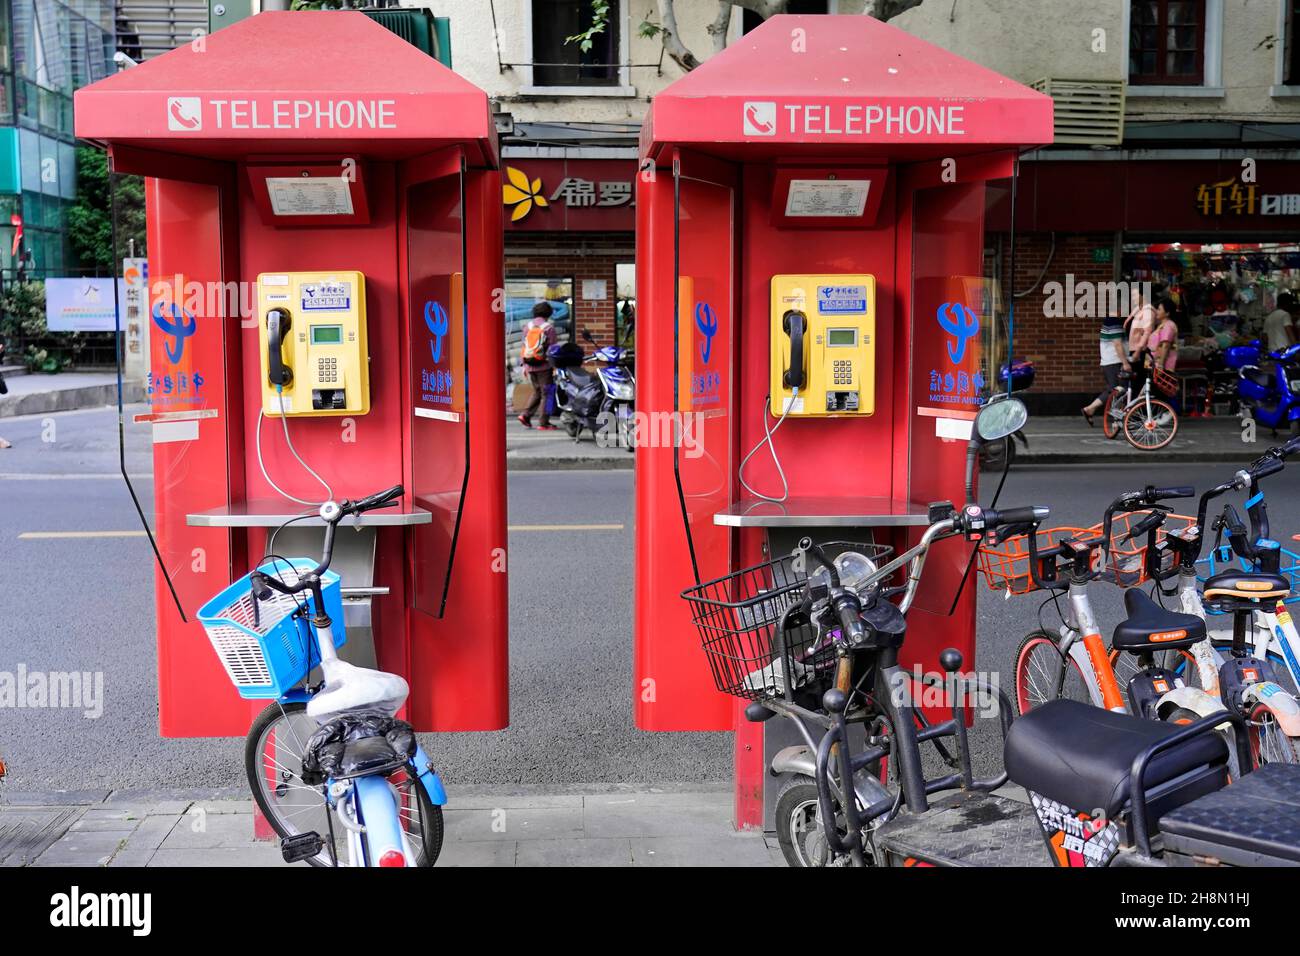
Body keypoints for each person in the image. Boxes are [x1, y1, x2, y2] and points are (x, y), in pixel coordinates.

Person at [1081, 312, 1130, 426]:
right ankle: (1115, 419)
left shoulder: (1111, 320)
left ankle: (1090, 409)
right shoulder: (1113, 321)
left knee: (1114, 389)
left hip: (1110, 362)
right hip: (1114, 362)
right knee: (1119, 390)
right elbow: (1117, 344)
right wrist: (1125, 362)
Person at [517, 301, 557, 430]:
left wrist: (524, 364)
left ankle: (526, 416)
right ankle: (544, 422)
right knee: (548, 393)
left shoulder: (527, 326)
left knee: (537, 392)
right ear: (548, 313)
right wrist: (555, 366)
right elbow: (552, 349)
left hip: (529, 364)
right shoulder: (548, 328)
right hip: (544, 366)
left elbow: (524, 346)